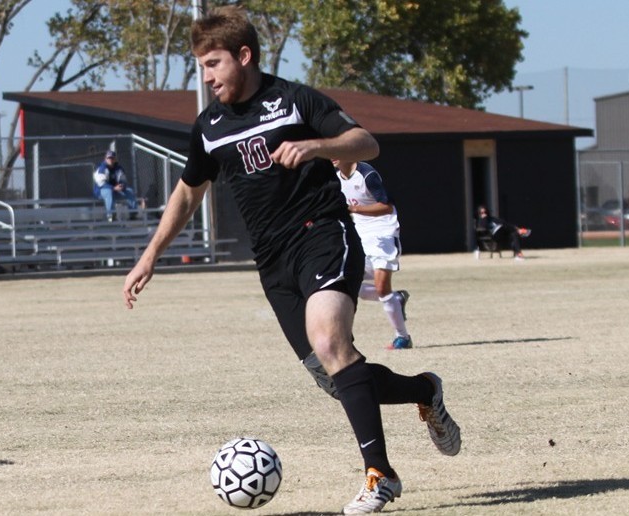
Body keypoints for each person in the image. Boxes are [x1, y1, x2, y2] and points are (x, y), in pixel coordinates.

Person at [122, 7, 460, 514]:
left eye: (214, 63)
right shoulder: (209, 126)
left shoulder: (294, 100)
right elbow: (189, 192)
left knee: (329, 341)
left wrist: (317, 146)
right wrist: (150, 256)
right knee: (333, 376)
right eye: (201, 67)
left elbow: (366, 143)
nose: (207, 76)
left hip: (323, 235)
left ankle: (380, 475)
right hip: (272, 261)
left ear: (244, 55)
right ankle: (424, 389)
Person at [335, 160, 412, 350]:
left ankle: (402, 337)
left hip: (383, 233)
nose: (332, 156)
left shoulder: (366, 174)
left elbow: (386, 206)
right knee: (351, 286)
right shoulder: (335, 177)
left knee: (381, 287)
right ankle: (397, 299)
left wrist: (354, 209)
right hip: (361, 235)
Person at [93, 150, 138, 220]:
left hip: (115, 191)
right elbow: (101, 184)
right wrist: (113, 188)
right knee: (108, 191)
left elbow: (123, 180)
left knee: (129, 191)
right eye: (109, 158)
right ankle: (111, 215)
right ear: (105, 159)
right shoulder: (101, 169)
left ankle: (133, 213)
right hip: (101, 192)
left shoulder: (119, 168)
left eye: (112, 158)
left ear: (115, 159)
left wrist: (122, 186)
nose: (110, 160)